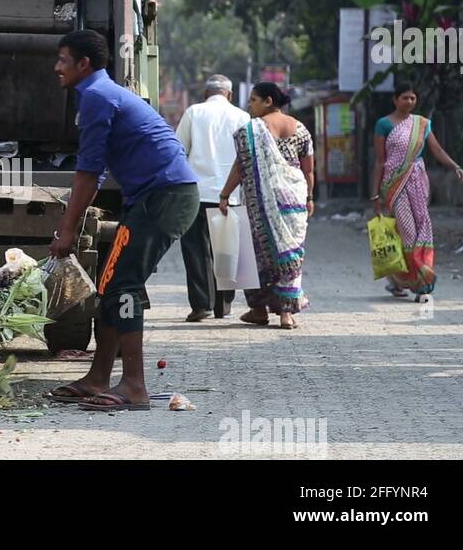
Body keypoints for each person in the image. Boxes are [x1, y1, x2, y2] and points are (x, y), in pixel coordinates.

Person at [47, 30, 199, 411]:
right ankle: (99, 377)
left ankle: (134, 385)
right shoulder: (98, 94)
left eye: (63, 60)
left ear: (84, 64)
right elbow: (94, 175)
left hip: (165, 195)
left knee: (124, 286)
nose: (56, 68)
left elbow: (87, 172)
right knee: (112, 284)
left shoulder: (98, 97)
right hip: (158, 195)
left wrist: (66, 230)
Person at [218, 82, 313, 330]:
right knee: (291, 255)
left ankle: (259, 310)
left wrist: (225, 194)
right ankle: (286, 314)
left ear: (268, 101)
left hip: (259, 204)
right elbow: (308, 169)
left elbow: (240, 167)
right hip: (293, 201)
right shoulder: (301, 129)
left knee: (255, 255)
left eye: (253, 100)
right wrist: (310, 197)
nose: (249, 105)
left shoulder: (250, 130)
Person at [371, 83, 463, 301]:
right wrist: (375, 195)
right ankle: (421, 281)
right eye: (405, 98)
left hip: (418, 182)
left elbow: (437, 150)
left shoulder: (422, 124)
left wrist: (455, 166)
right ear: (395, 100)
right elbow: (379, 161)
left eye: (412, 98)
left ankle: (400, 280)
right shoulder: (383, 125)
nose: (409, 102)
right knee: (408, 232)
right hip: (394, 185)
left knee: (422, 228)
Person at [175, 74, 250, 321]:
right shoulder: (242, 117)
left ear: (207, 93)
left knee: (196, 248)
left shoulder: (193, 112)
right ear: (229, 94)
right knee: (227, 250)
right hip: (232, 194)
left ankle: (201, 305)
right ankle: (223, 306)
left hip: (196, 191)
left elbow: (179, 150)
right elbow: (247, 159)